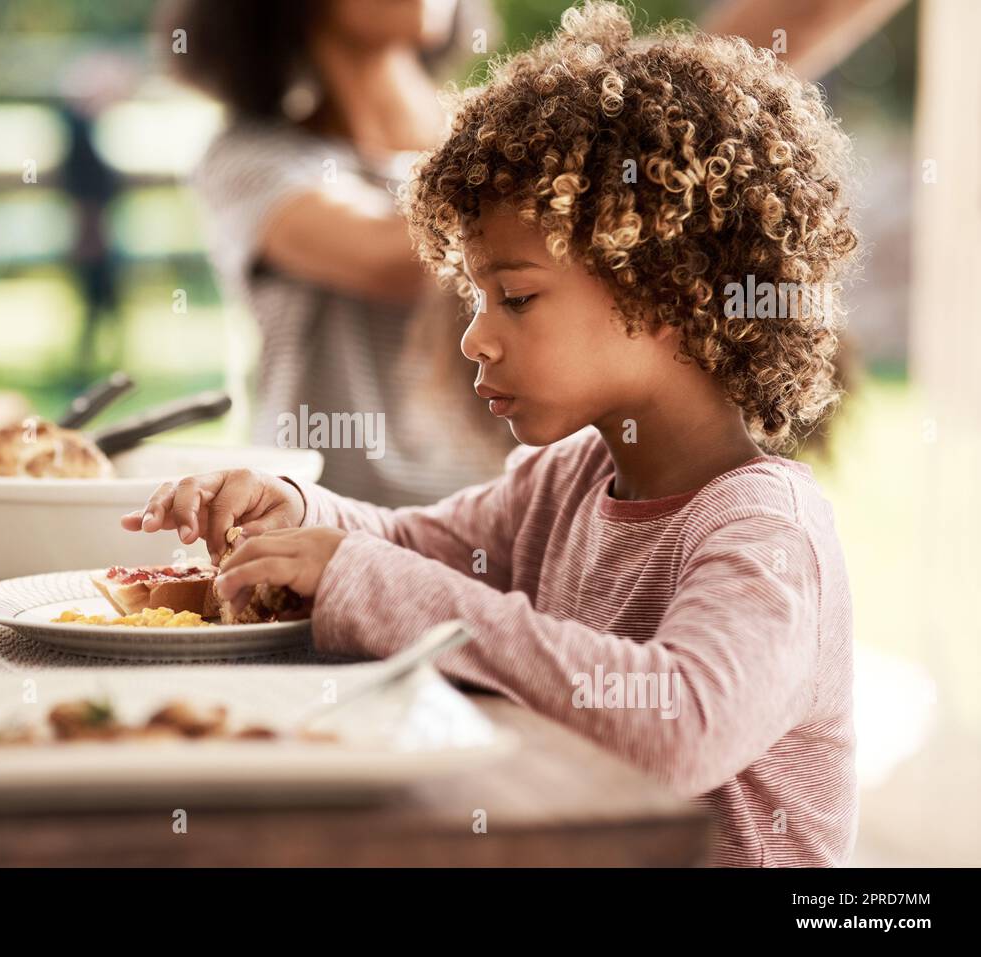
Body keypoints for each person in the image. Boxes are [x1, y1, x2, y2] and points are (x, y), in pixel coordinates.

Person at [127, 2, 861, 866]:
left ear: (666, 293)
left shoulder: (764, 534)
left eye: (514, 296)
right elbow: (408, 544)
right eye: (473, 296)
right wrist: (288, 511)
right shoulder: (564, 481)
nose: (473, 335)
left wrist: (365, 576)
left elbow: (680, 726)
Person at [163, 0, 515, 506]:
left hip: (497, 522)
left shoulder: (497, 152)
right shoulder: (248, 159)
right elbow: (389, 260)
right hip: (316, 526)